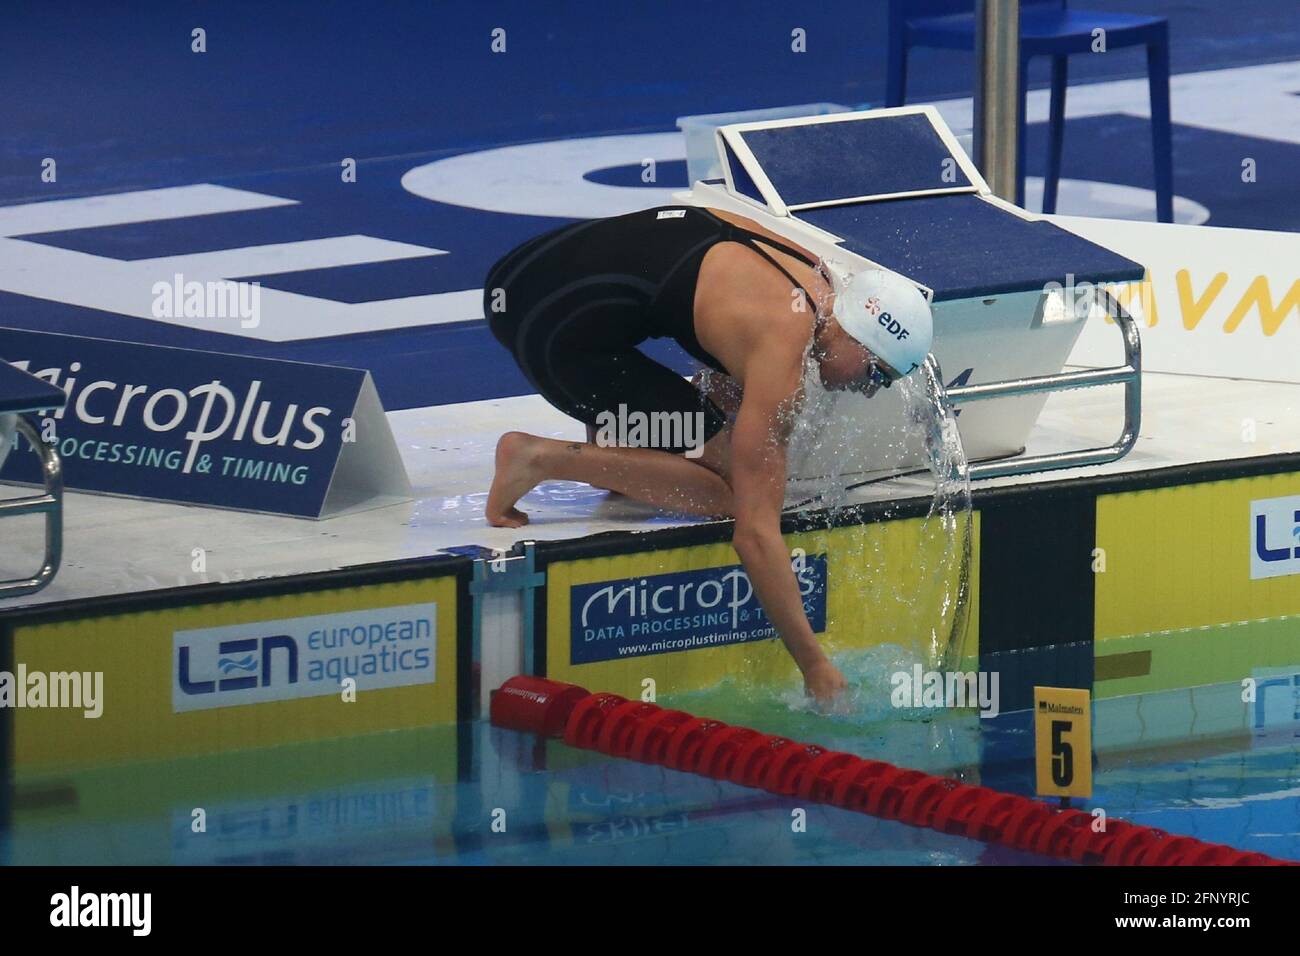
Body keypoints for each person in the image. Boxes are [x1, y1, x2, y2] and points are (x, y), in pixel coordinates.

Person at [482, 204, 934, 706]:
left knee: (723, 418)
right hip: (551, 333)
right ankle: (537, 458)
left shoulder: (814, 276)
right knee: (729, 494)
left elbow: (717, 346)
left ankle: (611, 444)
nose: (866, 390)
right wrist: (815, 665)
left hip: (526, 274)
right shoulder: (782, 353)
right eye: (876, 375)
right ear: (859, 338)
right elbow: (754, 535)